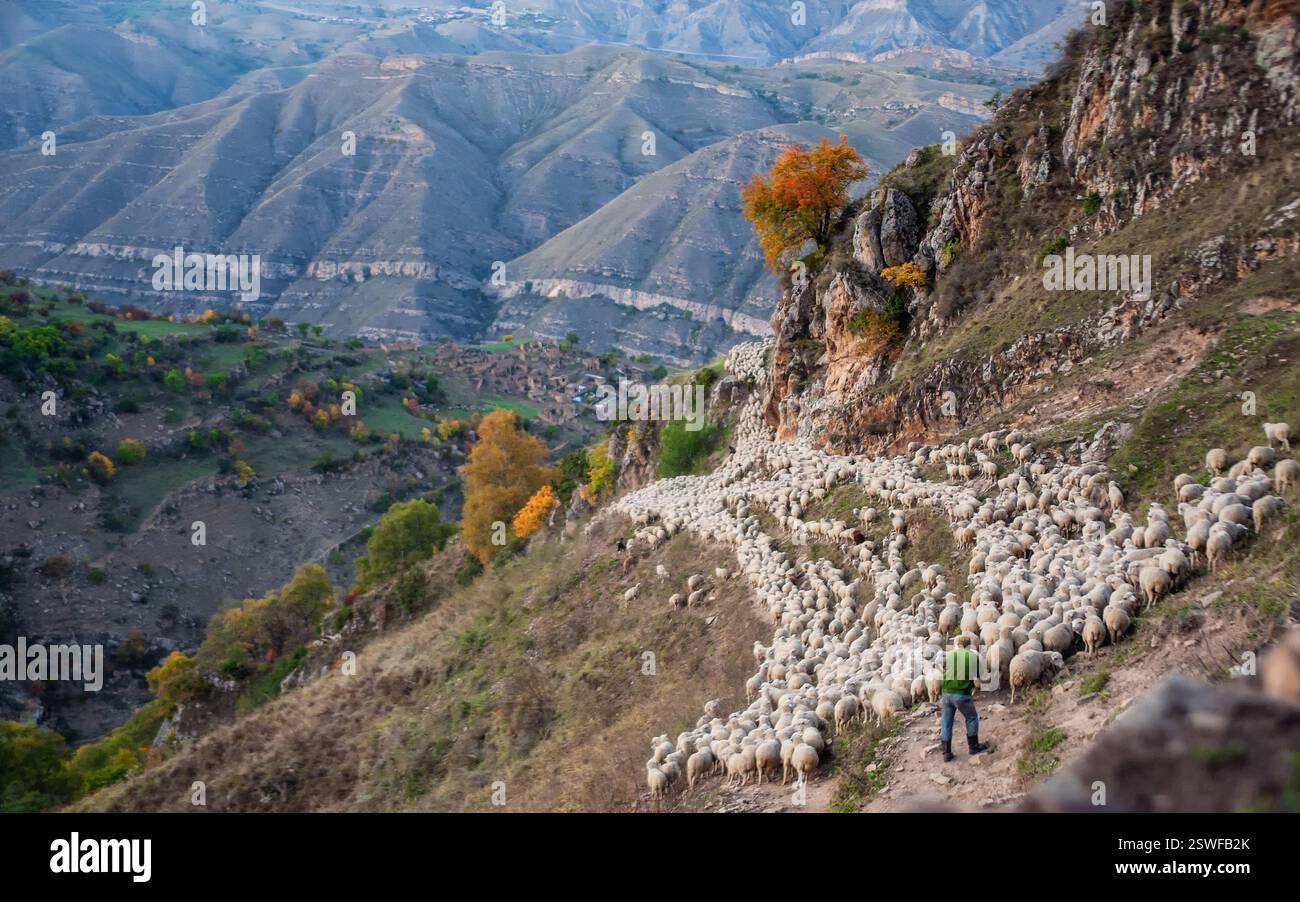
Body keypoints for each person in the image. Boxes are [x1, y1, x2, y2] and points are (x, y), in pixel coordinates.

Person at [939, 634, 990, 762]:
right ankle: (974, 747)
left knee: (946, 721)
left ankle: (946, 753)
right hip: (962, 694)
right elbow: (980, 676)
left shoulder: (949, 655)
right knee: (971, 718)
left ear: (957, 645)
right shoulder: (972, 656)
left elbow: (944, 668)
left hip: (946, 693)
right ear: (969, 645)